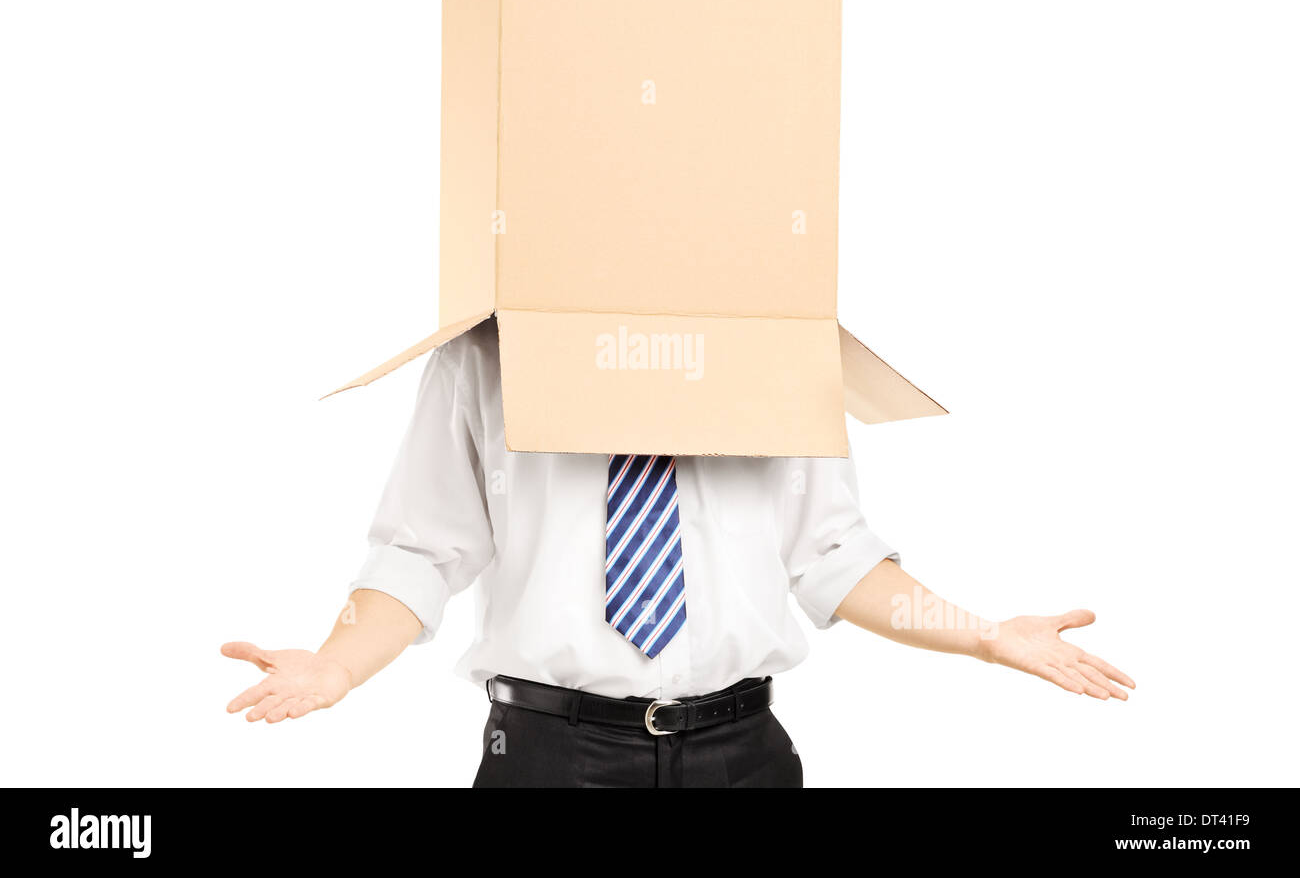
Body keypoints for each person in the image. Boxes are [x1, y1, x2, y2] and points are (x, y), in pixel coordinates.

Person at [223, 317, 1134, 787]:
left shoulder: (780, 355)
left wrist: (982, 635)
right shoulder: (488, 354)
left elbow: (832, 554)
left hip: (742, 754)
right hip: (552, 756)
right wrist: (337, 666)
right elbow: (421, 551)